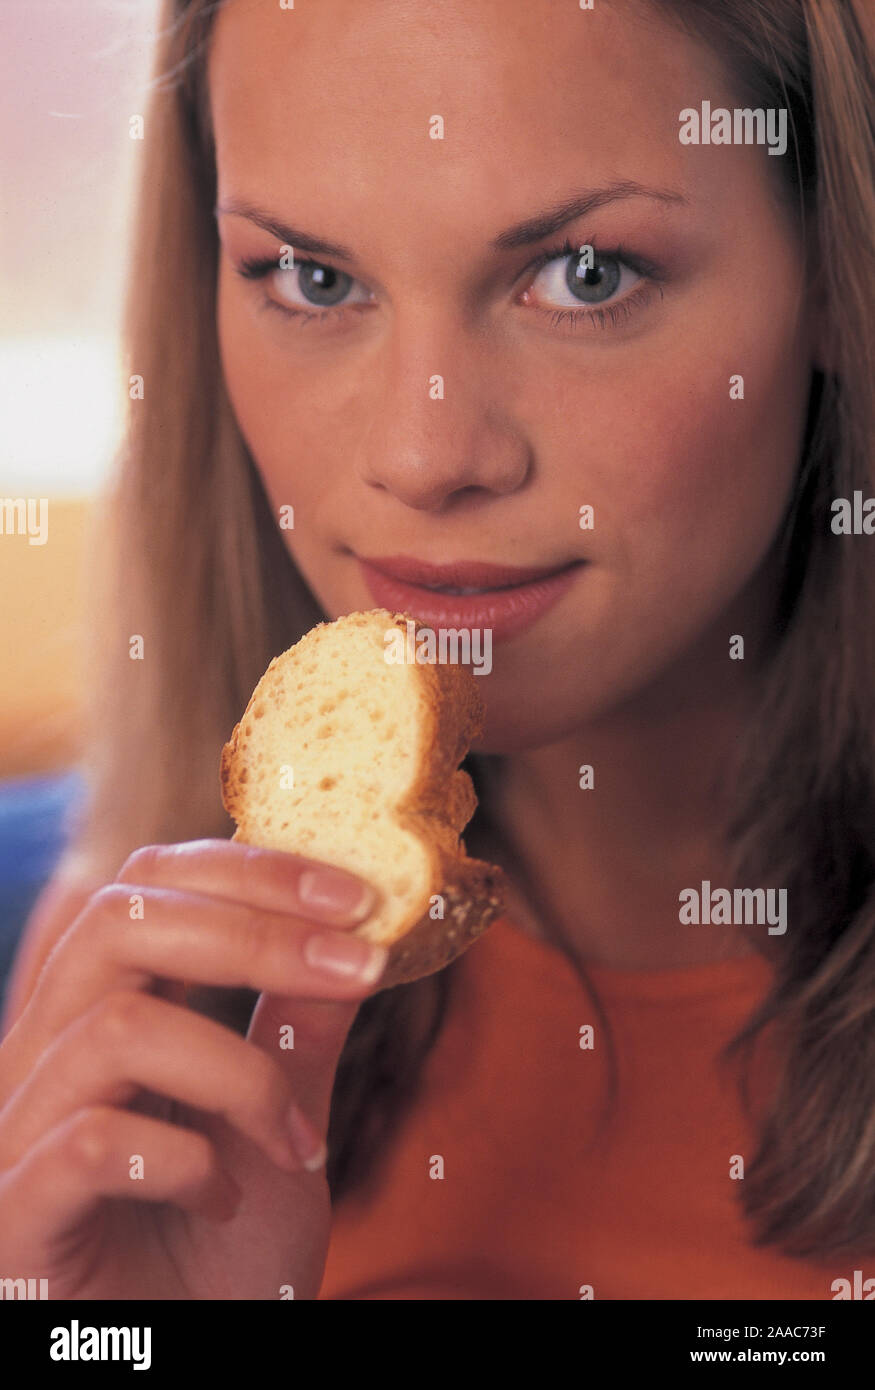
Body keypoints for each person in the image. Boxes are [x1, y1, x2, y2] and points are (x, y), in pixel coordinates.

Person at [1, 0, 873, 1300]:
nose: (419, 456)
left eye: (585, 273)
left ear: (836, 272)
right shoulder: (140, 978)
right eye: (312, 275)